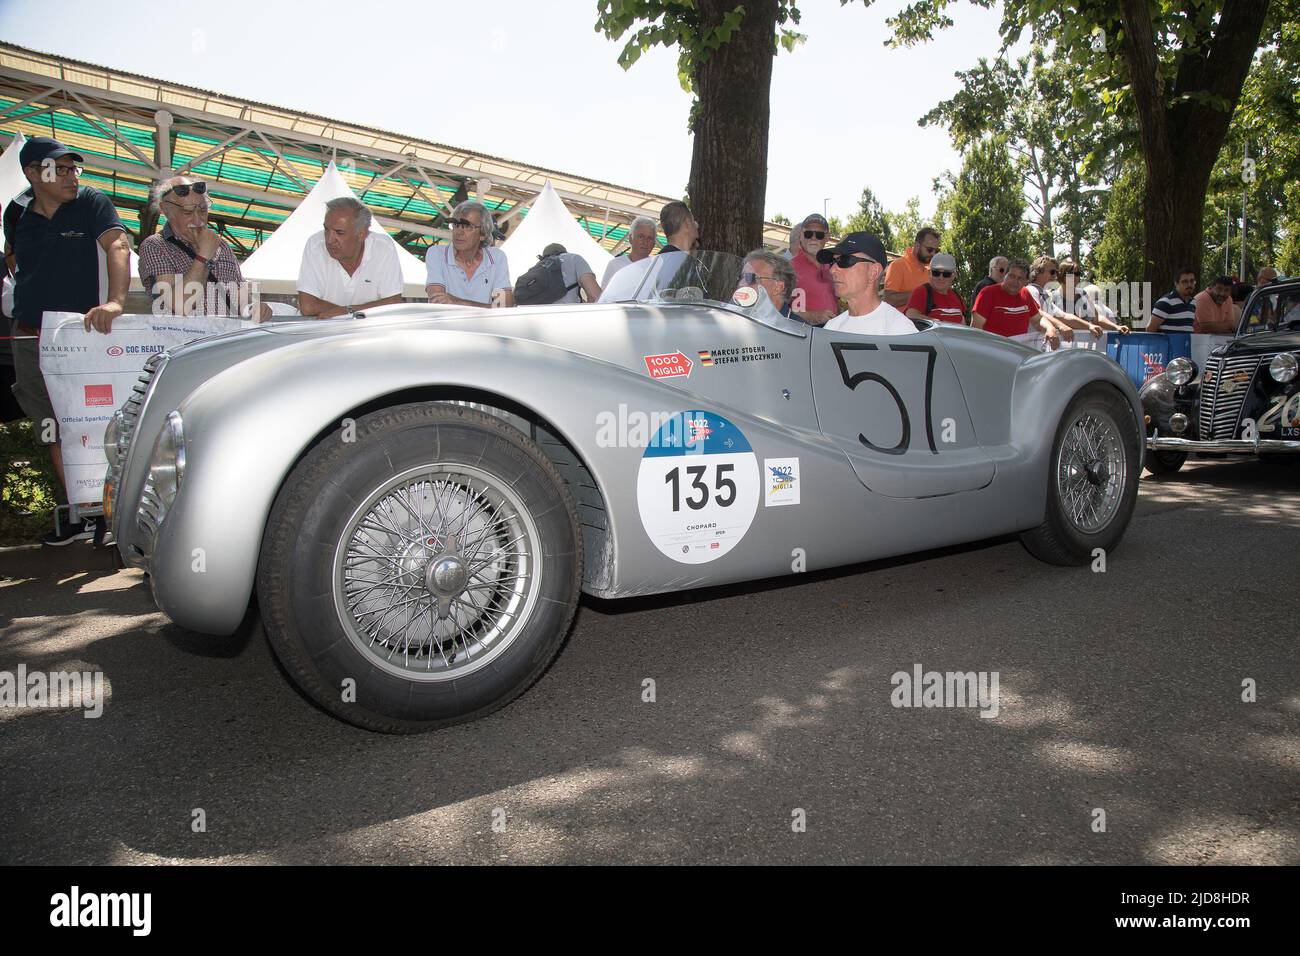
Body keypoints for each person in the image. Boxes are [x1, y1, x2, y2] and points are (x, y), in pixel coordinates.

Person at [3, 136, 131, 545]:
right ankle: (79, 513)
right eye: (58, 169)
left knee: (95, 425)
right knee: (50, 427)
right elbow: (13, 259)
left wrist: (114, 302)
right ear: (31, 173)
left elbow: (118, 244)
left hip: (81, 338)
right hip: (28, 338)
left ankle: (110, 514)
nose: (70, 175)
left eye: (73, 168)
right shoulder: (16, 210)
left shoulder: (91, 201)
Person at [138, 176, 270, 320]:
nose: (198, 220)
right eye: (187, 212)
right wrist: (204, 255)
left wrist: (254, 307)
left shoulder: (222, 246)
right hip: (187, 340)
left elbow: (238, 294)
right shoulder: (155, 246)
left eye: (203, 210)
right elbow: (179, 305)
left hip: (226, 338)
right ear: (165, 210)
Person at [297, 197, 404, 318]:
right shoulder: (315, 244)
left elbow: (393, 303)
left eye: (339, 233)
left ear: (361, 234)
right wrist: (354, 313)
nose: (329, 240)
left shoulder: (383, 247)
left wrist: (347, 312)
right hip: (324, 330)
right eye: (326, 230)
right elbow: (307, 306)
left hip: (370, 330)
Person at [816, 232, 916, 335]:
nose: (832, 270)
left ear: (874, 272)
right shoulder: (831, 328)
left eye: (845, 260)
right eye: (832, 262)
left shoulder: (901, 330)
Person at [424, 200, 513, 308]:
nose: (459, 232)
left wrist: (458, 302)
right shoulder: (436, 254)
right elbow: (437, 301)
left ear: (483, 234)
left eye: (468, 227)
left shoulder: (497, 257)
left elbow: (503, 308)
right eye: (456, 225)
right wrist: (486, 307)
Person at [971, 259, 1062, 349]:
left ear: (1026, 281)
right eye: (1011, 276)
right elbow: (976, 327)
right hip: (993, 353)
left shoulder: (1025, 293)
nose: (1015, 281)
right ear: (1005, 276)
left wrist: (1050, 328)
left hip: (1020, 353)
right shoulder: (987, 293)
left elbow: (1037, 320)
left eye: (1020, 278)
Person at [1027, 255, 1094, 341]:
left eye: (1056, 272)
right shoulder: (1031, 290)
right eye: (1052, 272)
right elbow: (1038, 313)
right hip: (1030, 346)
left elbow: (1063, 316)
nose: (1055, 276)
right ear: (1039, 272)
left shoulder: (1044, 294)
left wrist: (1089, 326)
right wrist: (1060, 325)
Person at [788, 213, 838, 324]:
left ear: (827, 237)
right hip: (801, 336)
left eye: (819, 235)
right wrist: (811, 316)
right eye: (808, 233)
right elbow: (776, 308)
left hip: (830, 334)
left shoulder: (832, 268)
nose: (813, 238)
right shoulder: (787, 268)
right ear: (801, 236)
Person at [522, 242, 601, 303]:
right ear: (565, 252)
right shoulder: (573, 258)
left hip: (539, 320)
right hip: (568, 318)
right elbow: (595, 295)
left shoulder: (535, 269)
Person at [883, 227, 940, 309]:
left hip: (924, 320)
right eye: (930, 250)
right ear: (917, 246)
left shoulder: (931, 271)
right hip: (901, 321)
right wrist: (921, 293)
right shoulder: (898, 266)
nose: (933, 254)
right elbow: (889, 300)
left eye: (936, 251)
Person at [740, 249, 802, 321]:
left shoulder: (798, 330)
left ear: (778, 287)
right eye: (742, 277)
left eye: (750, 277)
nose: (741, 284)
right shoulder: (735, 318)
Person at [903, 252, 965, 324]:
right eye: (936, 273)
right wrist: (940, 323)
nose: (940, 278)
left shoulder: (957, 297)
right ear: (929, 273)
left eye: (946, 274)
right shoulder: (921, 292)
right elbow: (911, 315)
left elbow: (963, 323)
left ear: (954, 275)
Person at [601, 216, 657, 286]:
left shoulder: (657, 267)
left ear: (654, 243)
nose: (645, 242)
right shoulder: (615, 265)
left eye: (649, 238)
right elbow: (604, 294)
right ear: (631, 238)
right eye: (641, 236)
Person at [1148, 267, 1198, 333]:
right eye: (1185, 281)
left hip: (1186, 343)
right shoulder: (1165, 302)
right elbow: (1150, 330)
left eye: (1192, 281)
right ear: (1176, 283)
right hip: (1167, 343)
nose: (1189, 285)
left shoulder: (1193, 302)